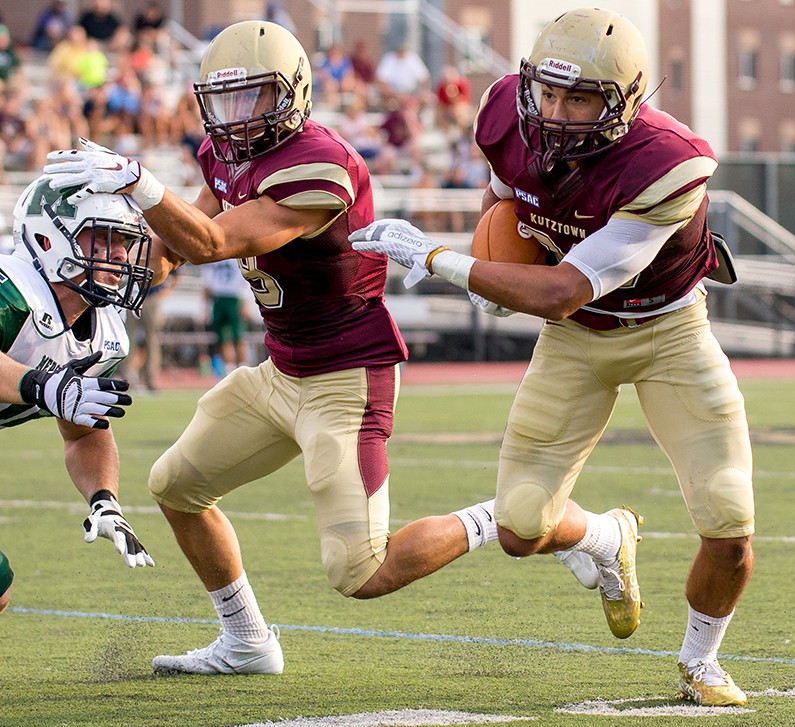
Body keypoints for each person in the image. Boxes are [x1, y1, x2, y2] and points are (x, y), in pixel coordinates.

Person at [44, 19, 592, 677]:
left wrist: (141, 183)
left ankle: (502, 515)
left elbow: (217, 242)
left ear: (293, 94)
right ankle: (246, 639)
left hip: (346, 378)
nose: (239, 118)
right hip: (282, 368)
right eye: (226, 101)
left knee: (361, 570)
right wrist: (103, 283)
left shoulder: (322, 166)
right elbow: (182, 244)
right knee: (176, 484)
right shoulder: (225, 156)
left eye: (255, 98)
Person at [349, 7, 753, 707]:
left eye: (581, 98)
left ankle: (700, 661)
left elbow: (564, 289)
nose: (557, 113)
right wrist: (493, 256)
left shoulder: (668, 165)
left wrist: (444, 260)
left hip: (667, 332)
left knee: (729, 520)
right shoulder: (508, 111)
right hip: (576, 343)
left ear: (624, 101)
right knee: (520, 526)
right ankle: (605, 535)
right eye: (551, 93)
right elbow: (506, 198)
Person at [0, 172, 156, 575]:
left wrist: (103, 499)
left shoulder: (104, 335)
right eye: (105, 238)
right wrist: (41, 385)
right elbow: (46, 388)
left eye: (124, 241)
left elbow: (84, 431)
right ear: (48, 238)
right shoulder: (11, 293)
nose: (121, 254)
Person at [199, 258, 248, 376]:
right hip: (222, 298)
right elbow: (207, 285)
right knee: (223, 338)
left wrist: (245, 302)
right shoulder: (215, 259)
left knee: (238, 337)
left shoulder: (233, 257)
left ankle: (242, 368)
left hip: (232, 298)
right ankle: (230, 370)